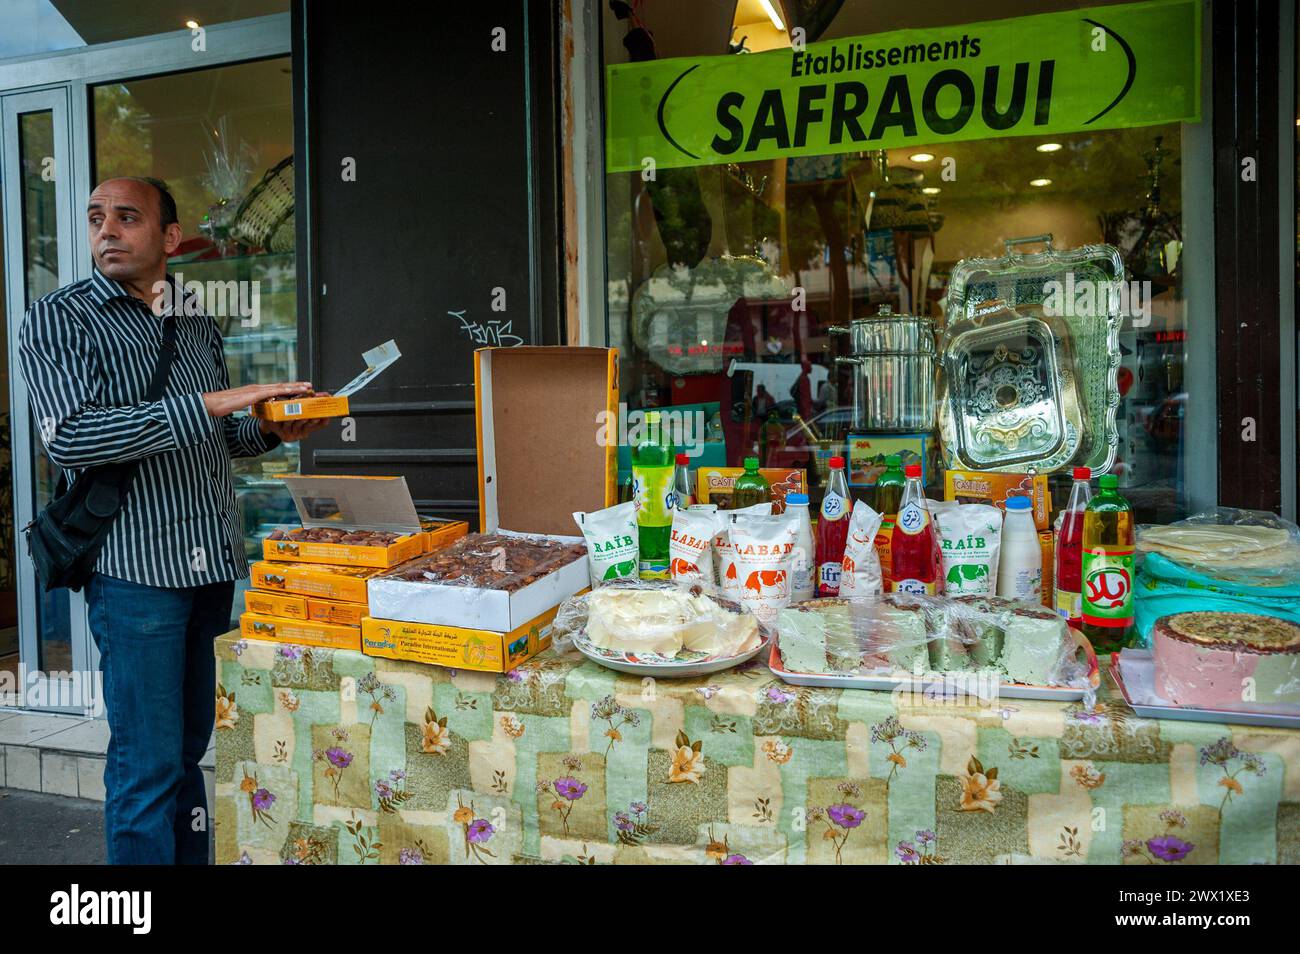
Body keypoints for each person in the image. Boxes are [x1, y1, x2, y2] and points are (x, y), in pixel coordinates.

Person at [18, 176, 328, 864]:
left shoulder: (193, 320)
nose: (106, 231)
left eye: (127, 218)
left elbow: (215, 439)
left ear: (168, 238)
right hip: (135, 577)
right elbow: (70, 436)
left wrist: (274, 427)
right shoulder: (59, 318)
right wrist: (217, 403)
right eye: (96, 216)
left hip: (210, 565)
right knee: (146, 764)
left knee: (189, 757)